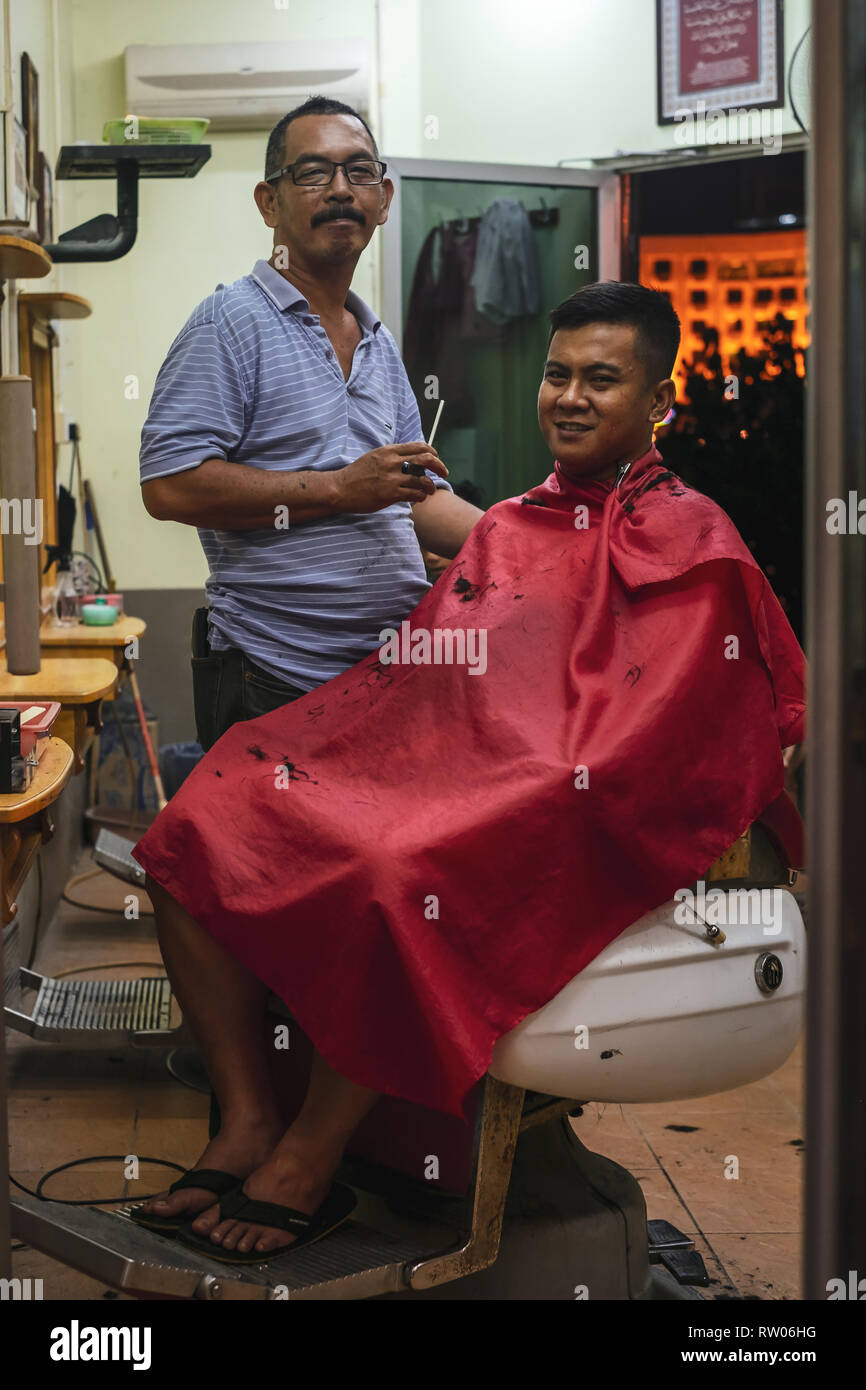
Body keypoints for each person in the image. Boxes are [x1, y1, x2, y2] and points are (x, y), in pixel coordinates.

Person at [131, 281, 805, 1263]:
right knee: (206, 811)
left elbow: (663, 743)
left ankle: (310, 1157)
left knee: (392, 872)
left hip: (559, 815)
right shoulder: (520, 522)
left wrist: (498, 785)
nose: (568, 397)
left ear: (656, 401)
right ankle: (244, 1117)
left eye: (600, 380)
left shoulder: (692, 542)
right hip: (454, 778)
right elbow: (435, 679)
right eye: (556, 374)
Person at [139, 94, 482, 750]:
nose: (340, 190)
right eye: (313, 173)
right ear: (270, 203)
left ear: (383, 199)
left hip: (388, 674)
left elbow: (415, 494)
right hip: (277, 680)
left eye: (359, 173)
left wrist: (523, 541)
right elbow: (169, 486)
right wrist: (336, 490)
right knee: (278, 857)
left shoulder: (378, 343)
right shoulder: (231, 322)